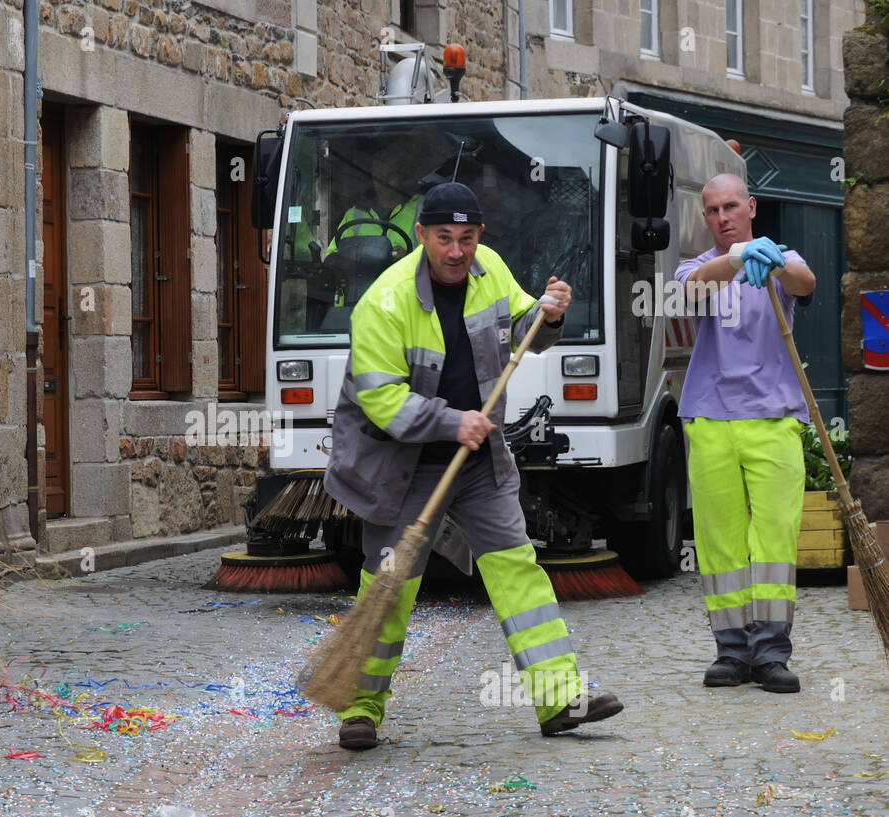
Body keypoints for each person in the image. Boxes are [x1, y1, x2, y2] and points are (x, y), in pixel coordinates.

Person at [323, 182, 624, 750]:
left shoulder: (490, 269)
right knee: (390, 582)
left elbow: (526, 331)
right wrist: (450, 421)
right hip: (400, 465)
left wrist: (550, 313)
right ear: (421, 236)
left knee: (518, 567)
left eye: (466, 238)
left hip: (479, 462)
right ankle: (360, 707)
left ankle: (560, 697)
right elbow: (381, 399)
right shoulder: (384, 303)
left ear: (479, 236)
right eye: (444, 238)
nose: (456, 251)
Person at [675, 173, 817, 693]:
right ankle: (732, 653)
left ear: (751, 206)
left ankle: (772, 652)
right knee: (719, 544)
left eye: (731, 206)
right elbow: (691, 291)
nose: (722, 217)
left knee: (775, 539)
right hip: (711, 419)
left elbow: (807, 283)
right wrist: (735, 260)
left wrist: (775, 260)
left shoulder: (781, 258)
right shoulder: (697, 266)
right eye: (712, 210)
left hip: (775, 417)